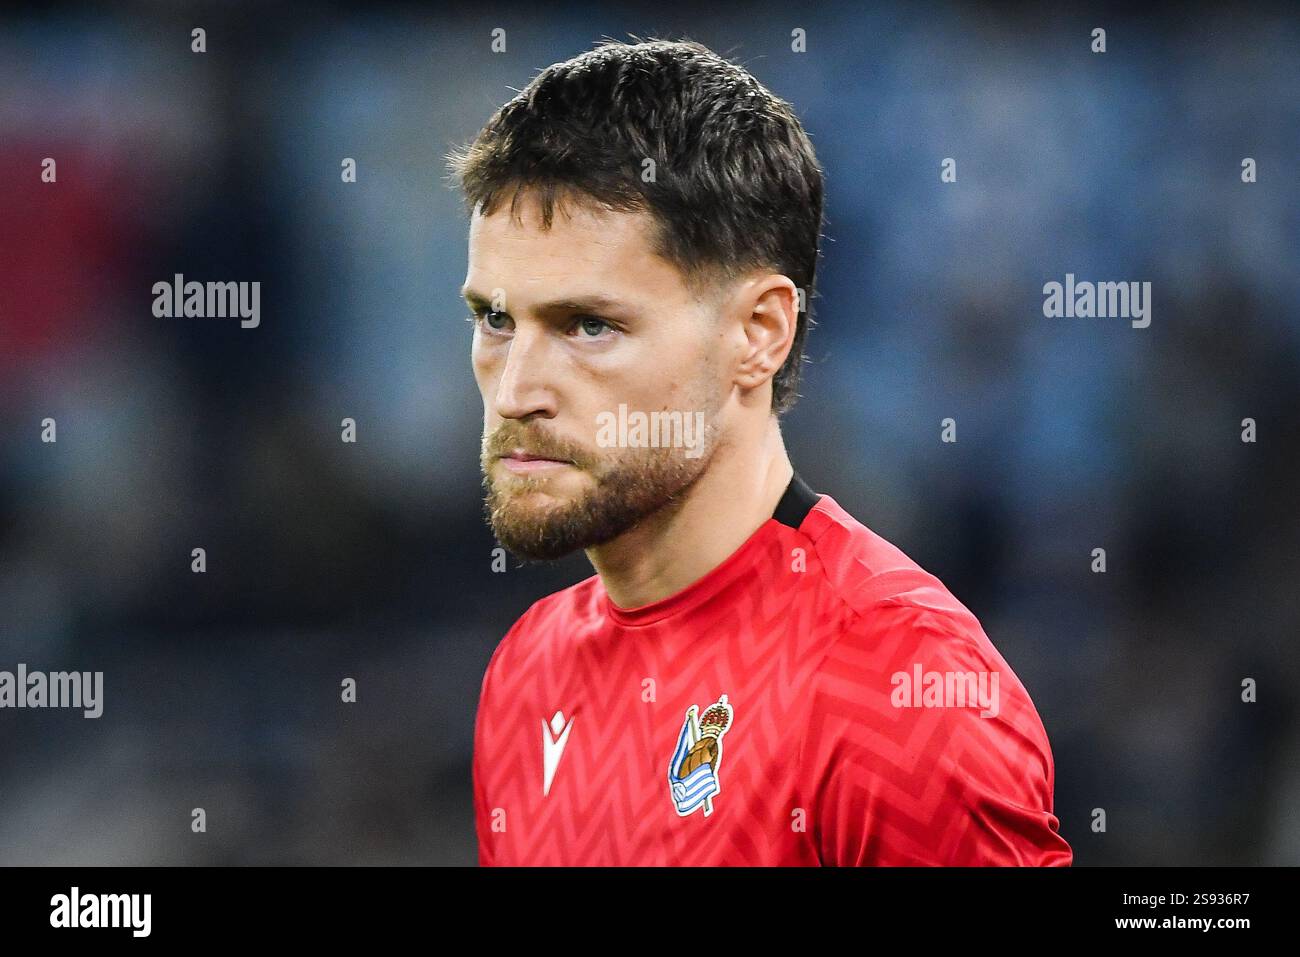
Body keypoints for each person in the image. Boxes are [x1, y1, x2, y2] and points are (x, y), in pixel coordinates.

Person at [449, 38, 1071, 865]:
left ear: (759, 333)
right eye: (496, 319)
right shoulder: (526, 676)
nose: (515, 388)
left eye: (588, 324)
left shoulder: (898, 690)